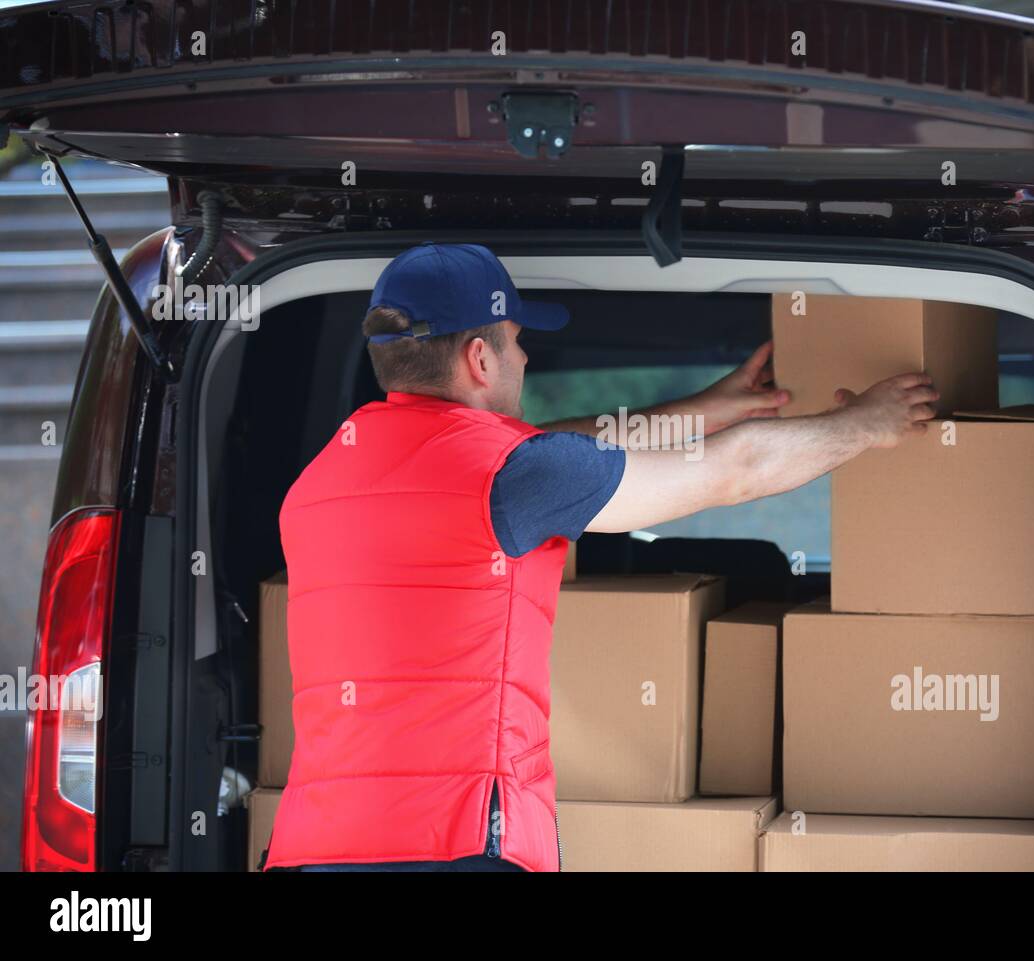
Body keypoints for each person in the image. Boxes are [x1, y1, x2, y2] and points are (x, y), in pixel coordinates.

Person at [261, 242, 937, 872]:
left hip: (310, 846)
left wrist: (700, 410)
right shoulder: (510, 477)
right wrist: (867, 424)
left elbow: (532, 451)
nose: (525, 360)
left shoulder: (321, 481)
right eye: (518, 344)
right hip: (451, 841)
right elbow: (736, 474)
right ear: (479, 358)